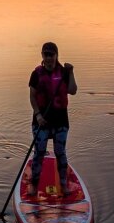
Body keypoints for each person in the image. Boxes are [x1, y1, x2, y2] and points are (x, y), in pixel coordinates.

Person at [27, 41, 77, 196]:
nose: (48, 58)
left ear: (56, 55)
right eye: (45, 54)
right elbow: (32, 97)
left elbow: (72, 91)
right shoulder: (36, 74)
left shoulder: (64, 72)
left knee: (60, 152)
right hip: (41, 121)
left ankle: (64, 185)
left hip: (60, 121)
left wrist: (71, 72)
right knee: (39, 153)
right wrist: (38, 115)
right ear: (42, 55)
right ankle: (34, 185)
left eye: (51, 54)